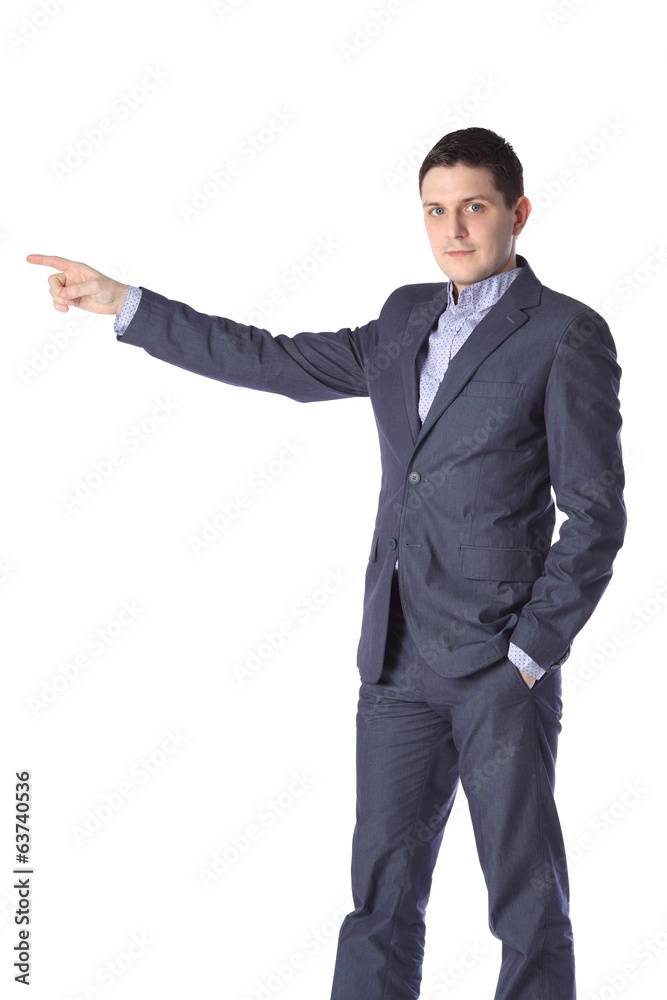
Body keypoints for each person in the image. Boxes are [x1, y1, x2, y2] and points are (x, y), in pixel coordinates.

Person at [27, 126, 626, 1000]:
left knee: (525, 907)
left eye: (473, 208)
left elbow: (597, 514)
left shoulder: (565, 334)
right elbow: (274, 359)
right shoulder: (402, 316)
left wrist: (531, 651)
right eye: (435, 211)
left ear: (516, 213)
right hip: (394, 664)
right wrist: (125, 303)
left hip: (500, 667)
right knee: (378, 903)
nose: (453, 229)